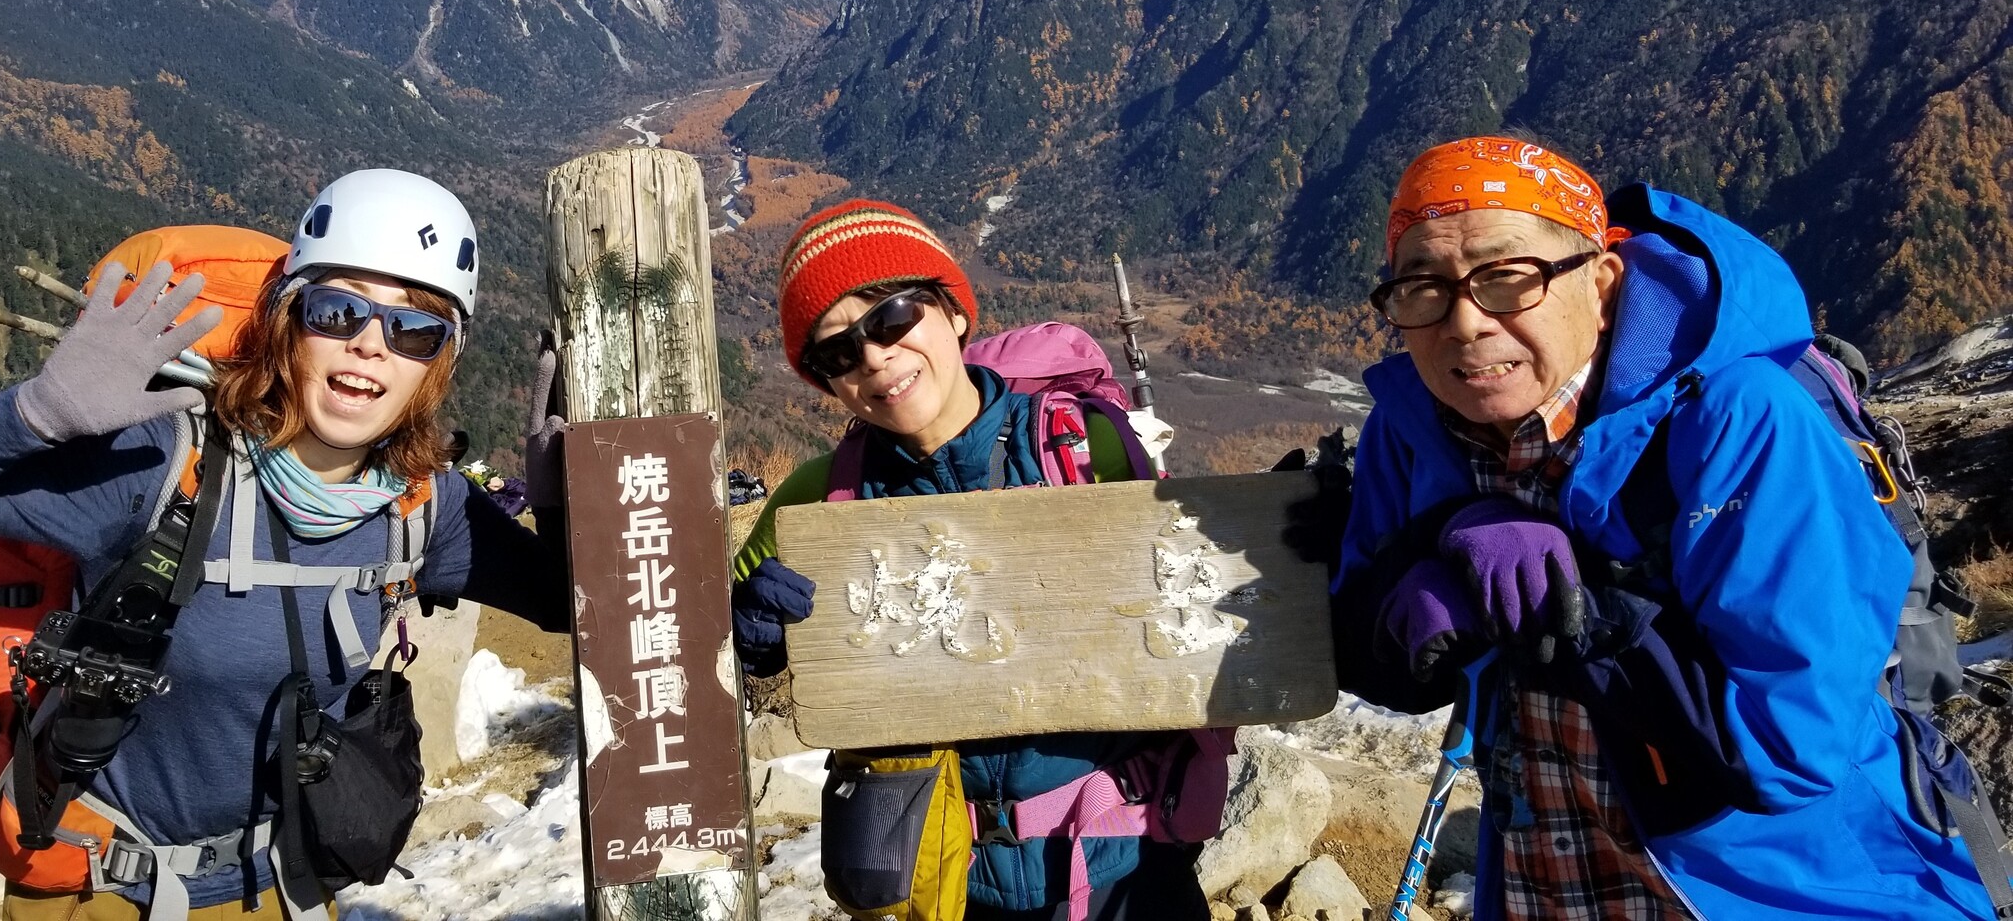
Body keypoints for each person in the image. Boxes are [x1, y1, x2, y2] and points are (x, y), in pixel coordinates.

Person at [0, 168, 572, 921]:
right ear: (289, 319)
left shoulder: (424, 505)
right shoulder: (161, 470)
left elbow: (567, 602)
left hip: (286, 886)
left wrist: (563, 500)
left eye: (414, 329)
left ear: (438, 362)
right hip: (104, 891)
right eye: (338, 311)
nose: (371, 346)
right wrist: (36, 415)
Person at [1331, 136, 1998, 919]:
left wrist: (1583, 611)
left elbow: (1789, 752)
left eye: (1506, 277)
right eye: (1422, 287)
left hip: (1790, 893)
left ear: (1602, 280)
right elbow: (1379, 667)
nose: (1464, 321)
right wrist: (1426, 559)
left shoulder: (1742, 421)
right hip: (1543, 885)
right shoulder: (1411, 431)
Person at [730, 200, 1210, 921]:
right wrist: (744, 634)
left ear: (952, 311)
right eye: (837, 352)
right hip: (949, 875)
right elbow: (707, 648)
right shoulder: (818, 501)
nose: (873, 356)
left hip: (1121, 861)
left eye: (890, 317)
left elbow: (1193, 602)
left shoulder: (1083, 449)